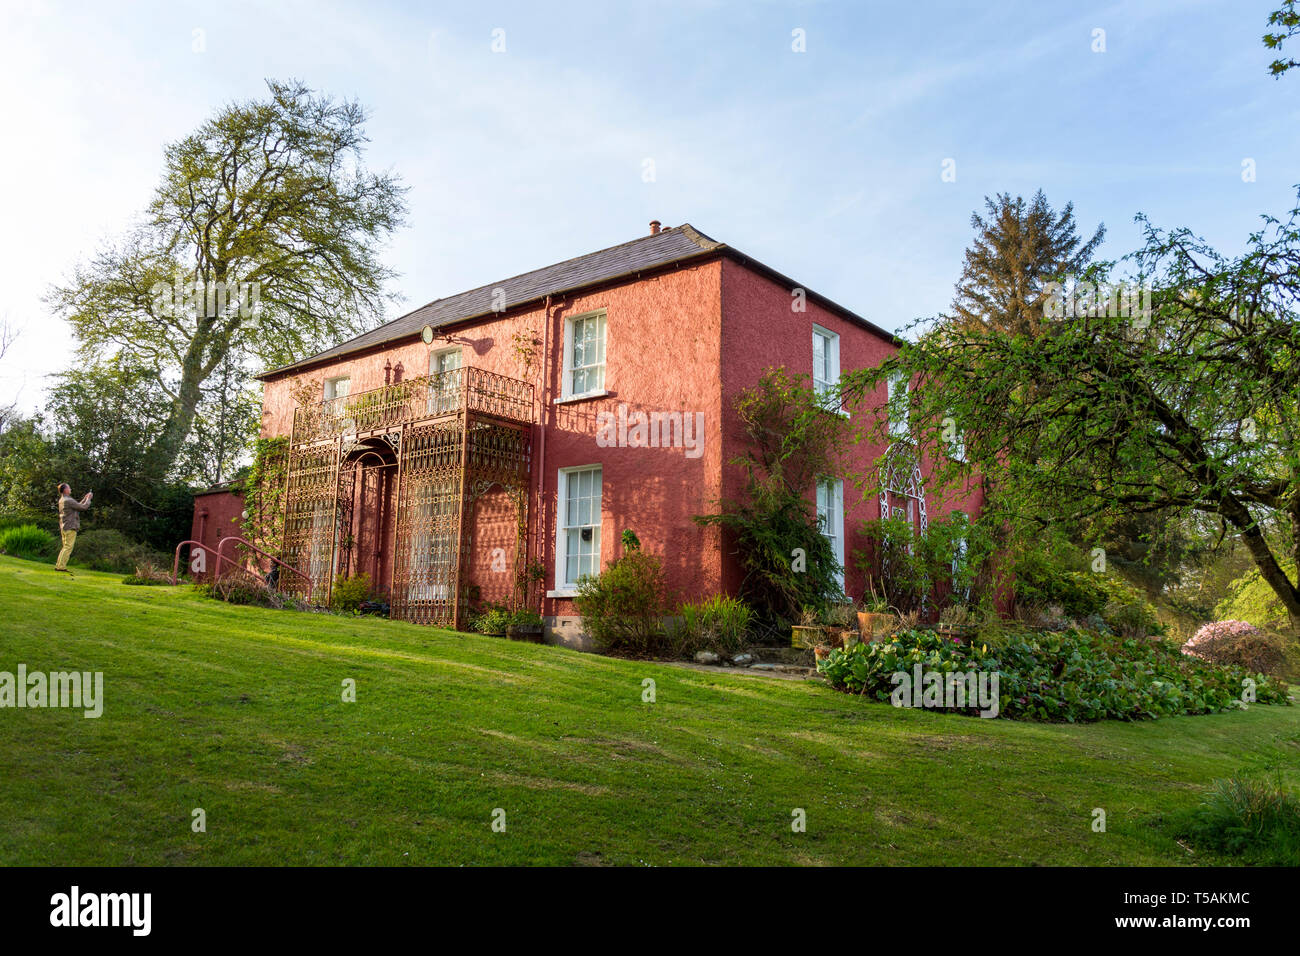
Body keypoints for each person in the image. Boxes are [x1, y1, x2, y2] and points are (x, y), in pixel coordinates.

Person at [55, 483, 92, 573]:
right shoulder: (68, 500)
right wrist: (88, 499)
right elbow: (83, 507)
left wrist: (84, 498)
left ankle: (59, 565)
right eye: (69, 487)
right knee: (68, 547)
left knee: (65, 547)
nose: (71, 489)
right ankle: (61, 567)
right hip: (70, 526)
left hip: (64, 526)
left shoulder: (63, 500)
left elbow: (77, 506)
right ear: (65, 490)